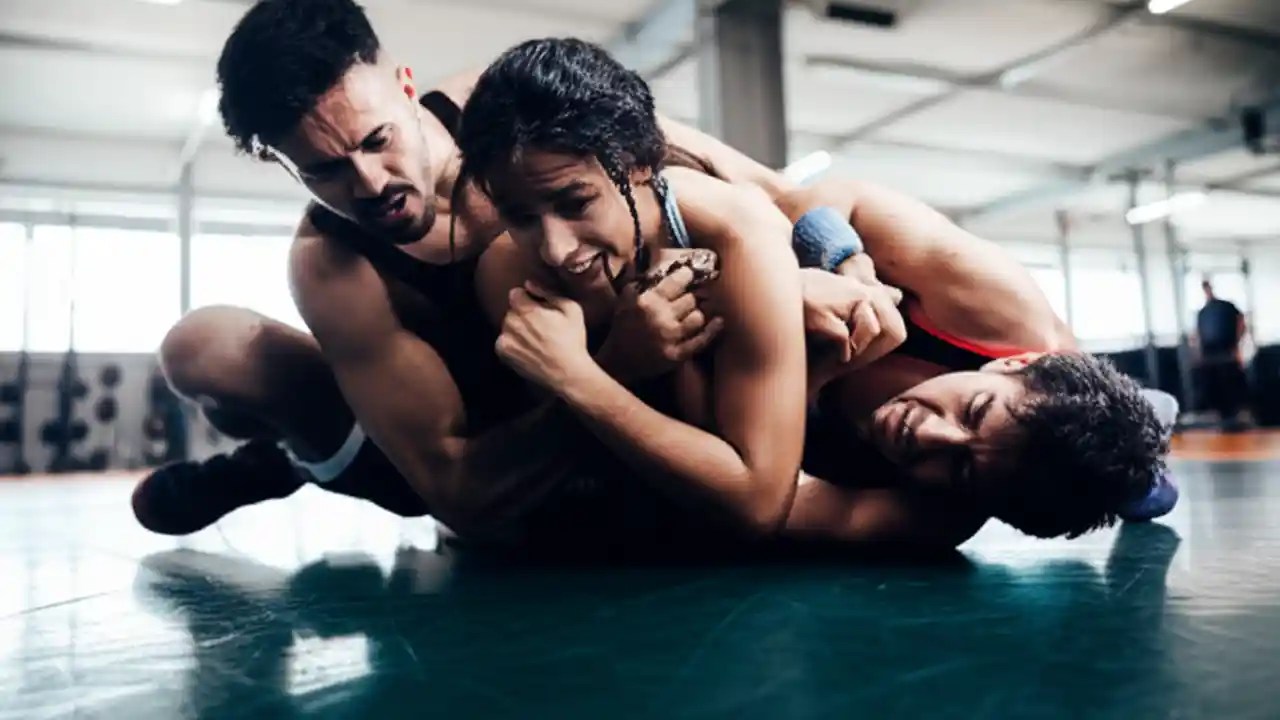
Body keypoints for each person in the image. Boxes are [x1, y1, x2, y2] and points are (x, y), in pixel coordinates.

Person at [130, 0, 896, 540]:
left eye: (376, 141)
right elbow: (458, 494)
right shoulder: (334, 267)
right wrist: (604, 373)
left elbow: (771, 190)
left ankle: (291, 454)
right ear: (279, 162)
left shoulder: (521, 110)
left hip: (637, 364)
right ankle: (296, 457)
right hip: (486, 443)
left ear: (403, 84)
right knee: (205, 349)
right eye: (325, 171)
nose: (370, 186)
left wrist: (841, 262)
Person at [458, 38, 1174, 552]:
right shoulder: (994, 306)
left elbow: (743, 505)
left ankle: (1130, 472)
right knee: (748, 190)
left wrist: (796, 380)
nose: (926, 435)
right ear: (1007, 366)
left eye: (957, 467)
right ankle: (1145, 443)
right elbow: (832, 195)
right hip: (806, 267)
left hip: (743, 371)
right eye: (972, 411)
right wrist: (837, 265)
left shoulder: (934, 515)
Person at [1193, 278, 1249, 428]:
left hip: (1228, 352)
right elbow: (1198, 334)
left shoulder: (1227, 307)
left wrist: (1237, 344)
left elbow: (1241, 321)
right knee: (1214, 387)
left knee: (1232, 385)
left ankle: (1237, 415)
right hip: (1210, 356)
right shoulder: (1203, 312)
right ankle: (1222, 416)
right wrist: (1198, 352)